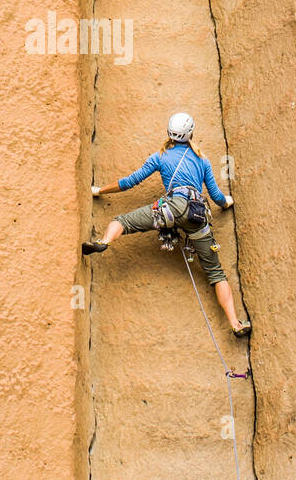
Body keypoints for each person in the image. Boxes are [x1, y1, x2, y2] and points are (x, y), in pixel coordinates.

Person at [82, 111, 250, 337]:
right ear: (191, 133)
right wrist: (226, 202)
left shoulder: (160, 157)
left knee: (122, 221)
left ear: (168, 133)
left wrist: (99, 190)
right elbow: (216, 196)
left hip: (170, 210)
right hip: (197, 216)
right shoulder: (203, 161)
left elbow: (130, 181)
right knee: (216, 274)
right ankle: (235, 323)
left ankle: (104, 241)